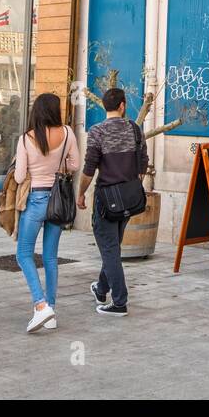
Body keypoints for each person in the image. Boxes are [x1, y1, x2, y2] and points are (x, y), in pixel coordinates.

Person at [76, 87, 147, 317]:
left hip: (106, 200)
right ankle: (101, 287)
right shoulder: (135, 130)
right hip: (129, 198)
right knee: (113, 247)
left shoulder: (97, 132)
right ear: (123, 105)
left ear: (104, 106)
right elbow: (143, 162)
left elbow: (89, 169)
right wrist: (133, 184)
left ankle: (119, 302)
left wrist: (81, 193)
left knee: (109, 250)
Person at [13, 92, 79, 333]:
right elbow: (75, 164)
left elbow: (20, 176)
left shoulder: (26, 139)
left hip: (36, 199)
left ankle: (41, 305)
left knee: (23, 254)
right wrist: (59, 165)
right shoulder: (68, 133)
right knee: (51, 257)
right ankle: (50, 310)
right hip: (58, 200)